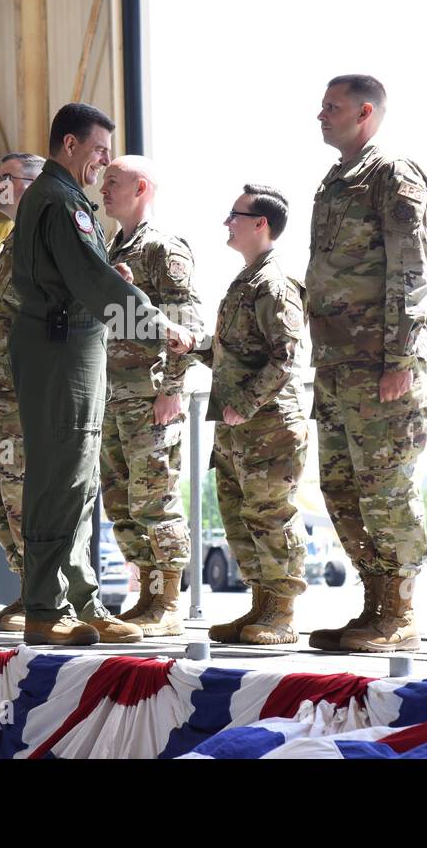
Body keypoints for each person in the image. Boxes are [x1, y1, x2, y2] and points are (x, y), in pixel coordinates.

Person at [8, 102, 193, 646]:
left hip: (71, 345)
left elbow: (84, 277)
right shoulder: (61, 202)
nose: (101, 163)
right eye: (97, 152)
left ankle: (78, 600)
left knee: (81, 479)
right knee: (61, 475)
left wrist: (111, 282)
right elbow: (95, 283)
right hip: (61, 348)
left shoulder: (59, 200)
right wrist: (158, 325)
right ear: (70, 145)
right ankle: (45, 606)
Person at [306, 74, 427, 653]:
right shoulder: (336, 181)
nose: (320, 115)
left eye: (331, 107)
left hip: (378, 366)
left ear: (365, 113)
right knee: (342, 491)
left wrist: (401, 358)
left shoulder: (393, 176)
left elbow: (410, 273)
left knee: (386, 490)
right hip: (337, 367)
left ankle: (401, 612)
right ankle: (376, 606)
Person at [173, 186, 309, 644]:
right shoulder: (244, 282)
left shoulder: (273, 283)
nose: (227, 223)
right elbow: (236, 357)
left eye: (235, 215)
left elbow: (286, 358)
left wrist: (245, 404)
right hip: (236, 430)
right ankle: (260, 607)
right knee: (239, 517)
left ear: (261, 225)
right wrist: (195, 347)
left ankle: (281, 614)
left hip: (266, 427)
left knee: (270, 515)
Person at [98, 155, 202, 637]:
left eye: (113, 181)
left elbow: (188, 325)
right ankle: (145, 594)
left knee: (155, 499)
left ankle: (167, 602)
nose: (103, 189)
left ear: (141, 188)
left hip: (149, 396)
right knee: (120, 503)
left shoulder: (163, 250)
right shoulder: (107, 250)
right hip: (114, 396)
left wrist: (173, 389)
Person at [0, 153, 45, 633]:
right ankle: (26, 589)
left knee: (24, 493)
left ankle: (43, 596)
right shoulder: (11, 241)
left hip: (24, 390)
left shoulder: (42, 238)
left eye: (8, 178)